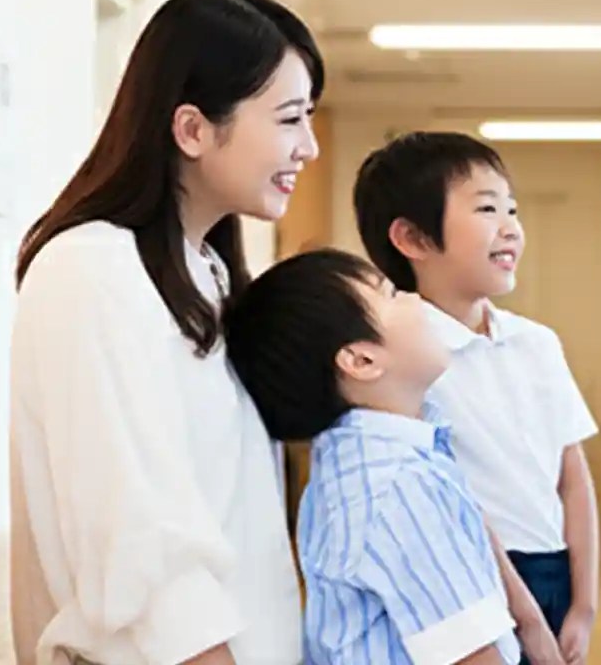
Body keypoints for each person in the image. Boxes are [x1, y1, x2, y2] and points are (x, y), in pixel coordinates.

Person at [9, 0, 323, 665]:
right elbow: (140, 544)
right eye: (290, 119)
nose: (311, 147)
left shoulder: (204, 272)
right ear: (192, 129)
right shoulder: (90, 268)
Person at [354, 133, 600, 665]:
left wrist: (584, 603)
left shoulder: (537, 343)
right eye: (487, 208)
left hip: (551, 567)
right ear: (414, 239)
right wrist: (527, 619)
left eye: (512, 208)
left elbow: (572, 476)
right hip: (471, 577)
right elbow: (451, 505)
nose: (511, 225)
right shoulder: (406, 359)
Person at [223, 249, 521, 665]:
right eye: (393, 294)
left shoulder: (353, 471)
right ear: (361, 360)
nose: (416, 299)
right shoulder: (399, 484)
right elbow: (471, 656)